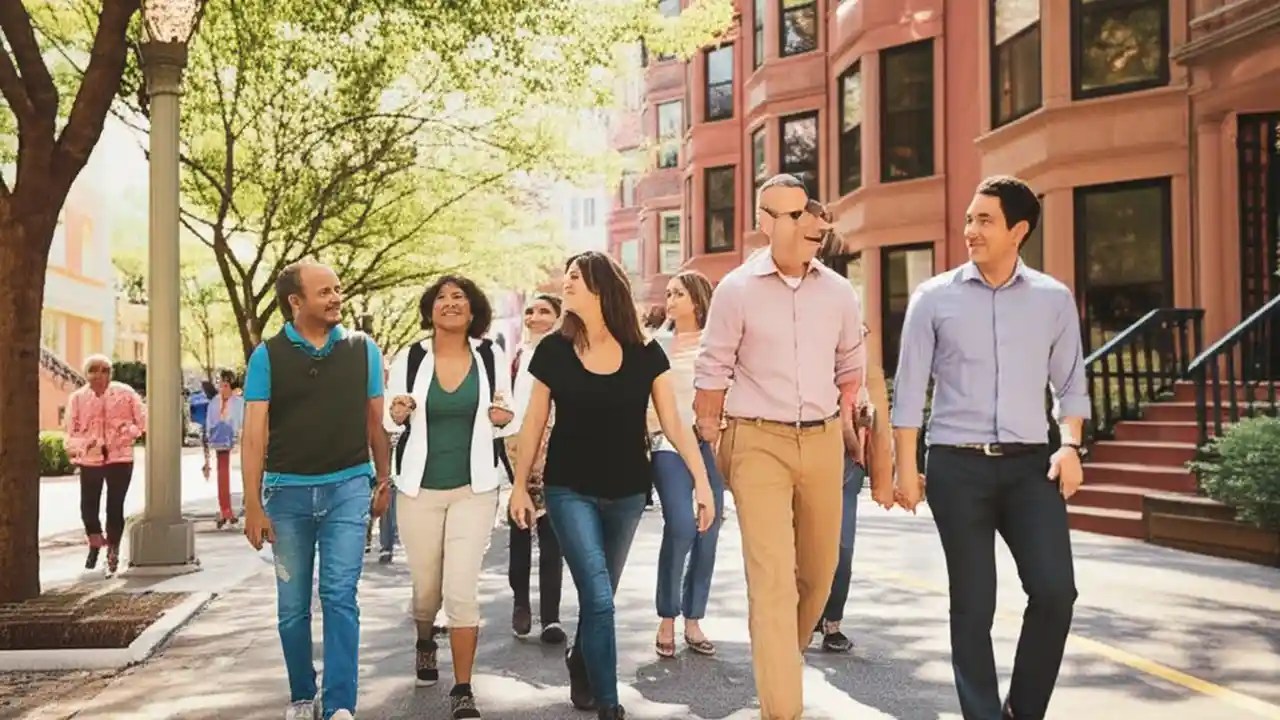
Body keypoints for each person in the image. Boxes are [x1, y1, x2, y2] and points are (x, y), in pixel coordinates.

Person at [891, 175, 1088, 720]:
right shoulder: (934, 299)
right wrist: (906, 468)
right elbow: (909, 391)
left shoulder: (1052, 299)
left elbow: (1071, 385)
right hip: (957, 468)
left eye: (985, 220)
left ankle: (1022, 712)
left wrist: (1070, 444)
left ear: (1018, 231)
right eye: (969, 218)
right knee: (974, 605)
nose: (970, 230)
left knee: (1055, 593)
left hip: (1031, 469)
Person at [509, 251, 714, 720]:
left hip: (625, 492)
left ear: (602, 286)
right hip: (568, 489)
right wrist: (520, 485)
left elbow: (675, 424)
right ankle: (609, 703)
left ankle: (582, 660)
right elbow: (534, 420)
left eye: (576, 278)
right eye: (566, 277)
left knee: (601, 599)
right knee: (599, 598)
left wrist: (701, 483)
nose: (566, 284)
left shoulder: (645, 352)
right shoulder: (553, 351)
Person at [693, 178, 865, 720]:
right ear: (765, 222)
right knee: (771, 581)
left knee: (818, 573)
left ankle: (780, 663)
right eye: (789, 216)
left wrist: (856, 425)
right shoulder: (736, 289)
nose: (804, 224)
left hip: (821, 441)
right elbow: (713, 367)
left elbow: (852, 368)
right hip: (755, 440)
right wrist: (712, 434)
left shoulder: (839, 291)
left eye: (807, 213)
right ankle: (781, 709)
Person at [240, 260, 391, 720]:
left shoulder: (364, 350)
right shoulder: (267, 356)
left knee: (340, 594)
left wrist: (383, 479)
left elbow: (376, 420)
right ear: (295, 302)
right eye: (324, 291)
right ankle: (303, 696)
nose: (335, 298)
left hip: (348, 485)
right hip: (286, 495)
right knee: (292, 606)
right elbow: (253, 434)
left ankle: (340, 703)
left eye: (338, 289)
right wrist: (251, 506)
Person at [385, 275, 516, 720]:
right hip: (418, 488)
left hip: (475, 488)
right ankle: (425, 640)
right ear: (430, 310)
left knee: (460, 589)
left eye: (459, 297)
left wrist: (503, 417)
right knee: (426, 591)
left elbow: (508, 415)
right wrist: (396, 413)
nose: (450, 303)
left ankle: (463, 688)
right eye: (441, 298)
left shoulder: (491, 356)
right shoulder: (411, 356)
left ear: (473, 309)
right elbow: (390, 416)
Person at [649, 271, 726, 658]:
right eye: (668, 294)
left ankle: (694, 619)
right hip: (668, 445)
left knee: (708, 530)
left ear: (697, 300)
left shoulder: (719, 344)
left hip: (712, 446)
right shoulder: (657, 344)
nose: (671, 299)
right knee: (680, 524)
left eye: (678, 293)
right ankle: (667, 616)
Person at [815, 324, 894, 652]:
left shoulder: (865, 369)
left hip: (849, 466)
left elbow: (881, 422)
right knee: (806, 548)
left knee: (843, 549)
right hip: (809, 460)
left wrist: (885, 478)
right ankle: (806, 613)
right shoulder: (809, 358)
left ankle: (832, 621)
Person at [506, 293, 567, 644]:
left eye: (544, 310)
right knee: (520, 532)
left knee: (551, 535)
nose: (534, 315)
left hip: (556, 450)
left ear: (558, 317)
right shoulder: (516, 358)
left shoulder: (566, 355)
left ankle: (551, 617)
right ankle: (520, 603)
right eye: (530, 310)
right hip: (517, 452)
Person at [65, 354, 146, 576]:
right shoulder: (78, 398)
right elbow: (70, 432)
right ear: (86, 374)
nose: (99, 375)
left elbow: (142, 422)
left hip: (120, 458)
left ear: (110, 374)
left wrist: (126, 432)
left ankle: (113, 549)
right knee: (88, 508)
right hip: (90, 459)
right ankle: (95, 540)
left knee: (114, 506)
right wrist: (85, 444)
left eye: (104, 370)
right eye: (94, 370)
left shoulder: (126, 393)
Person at [206, 369, 245, 529]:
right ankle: (225, 509)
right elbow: (210, 422)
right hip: (221, 440)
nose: (223, 389)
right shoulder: (215, 402)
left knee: (241, 474)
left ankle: (239, 507)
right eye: (221, 385)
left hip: (237, 440)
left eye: (226, 385)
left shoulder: (238, 402)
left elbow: (242, 420)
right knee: (222, 474)